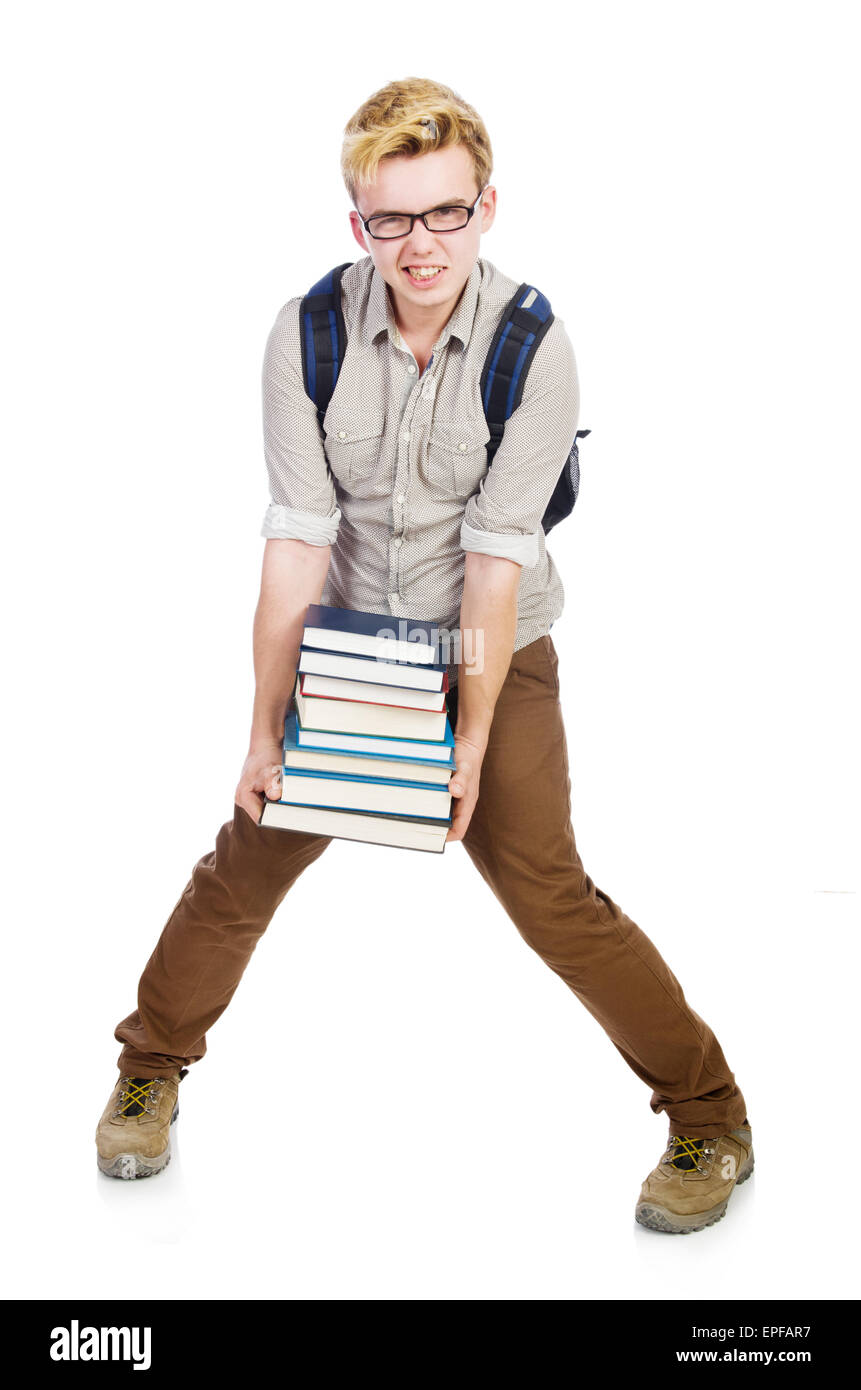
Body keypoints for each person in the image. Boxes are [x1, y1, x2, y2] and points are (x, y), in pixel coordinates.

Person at [95, 76, 753, 1233]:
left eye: (445, 212)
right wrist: (263, 726)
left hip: (491, 647)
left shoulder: (534, 347)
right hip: (351, 650)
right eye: (392, 218)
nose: (421, 244)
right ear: (359, 222)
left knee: (550, 894)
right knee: (244, 857)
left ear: (487, 205)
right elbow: (297, 543)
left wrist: (473, 736)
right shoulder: (305, 333)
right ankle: (149, 1065)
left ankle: (710, 1117)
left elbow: (498, 565)